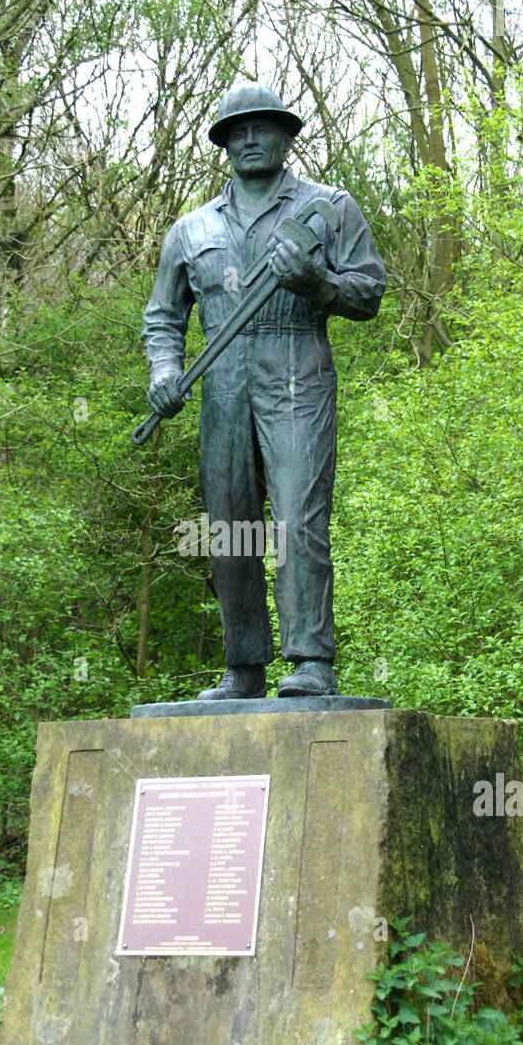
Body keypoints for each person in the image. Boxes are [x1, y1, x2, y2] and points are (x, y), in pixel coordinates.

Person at [142, 82, 386, 699]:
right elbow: (163, 318)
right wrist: (165, 373)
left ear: (287, 134)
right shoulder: (190, 229)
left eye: (263, 127)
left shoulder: (328, 208)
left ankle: (311, 661)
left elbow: (369, 292)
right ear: (223, 143)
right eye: (238, 130)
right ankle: (243, 665)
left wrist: (317, 282)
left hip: (297, 366)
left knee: (299, 515)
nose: (251, 139)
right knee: (230, 524)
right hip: (220, 382)